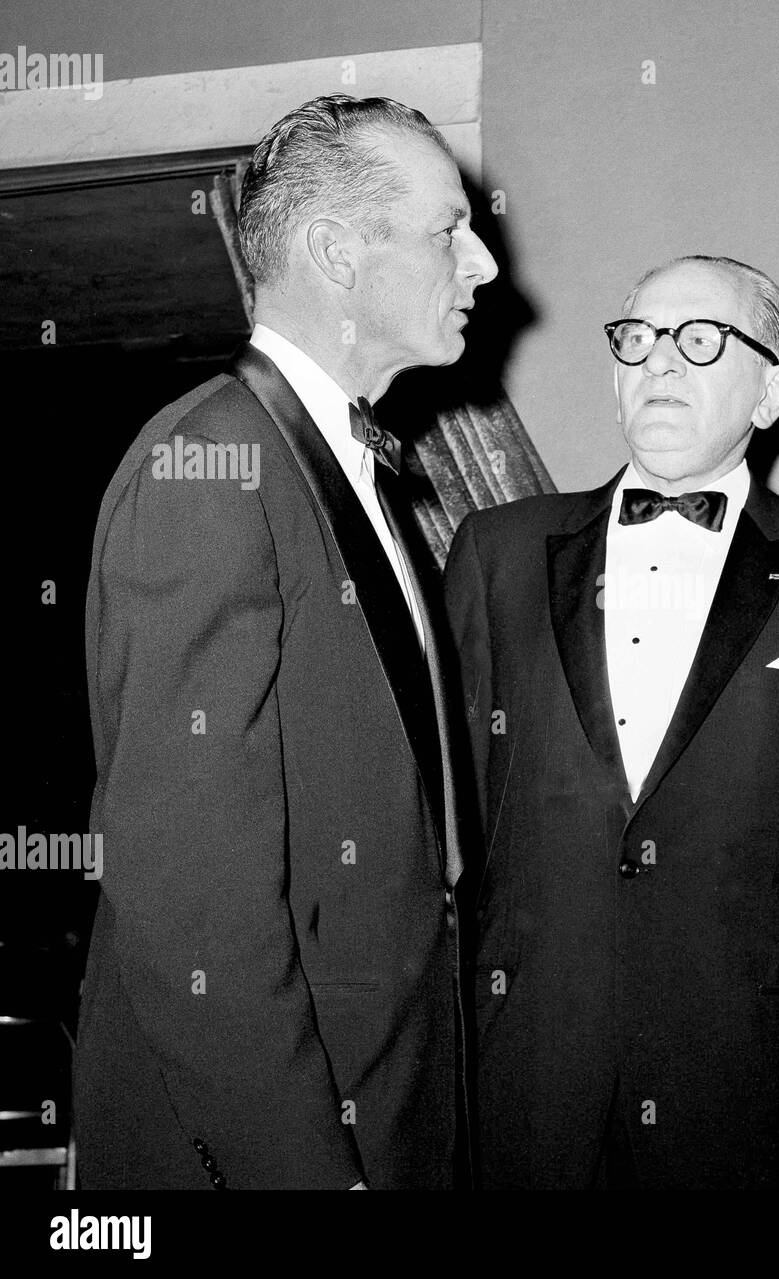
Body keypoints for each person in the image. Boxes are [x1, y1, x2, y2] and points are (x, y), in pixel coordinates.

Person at [73, 94, 497, 1189]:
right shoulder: (208, 467)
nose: (485, 263)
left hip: (388, 1100)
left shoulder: (334, 466)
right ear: (334, 251)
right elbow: (189, 904)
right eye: (448, 229)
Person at [444, 255, 779, 1188]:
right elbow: (448, 840)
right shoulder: (498, 553)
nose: (660, 363)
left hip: (757, 1100)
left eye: (701, 340)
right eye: (637, 339)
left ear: (773, 391)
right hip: (526, 1095)